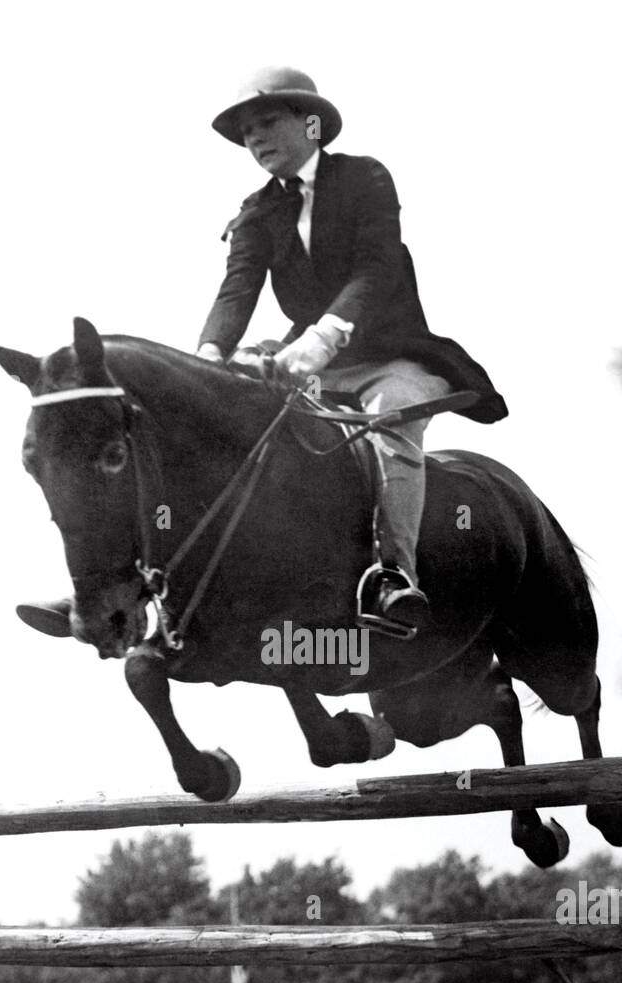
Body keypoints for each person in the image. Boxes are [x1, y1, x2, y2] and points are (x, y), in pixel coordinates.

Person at [194, 66, 508, 631]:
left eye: (267, 123)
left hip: (392, 359)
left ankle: (392, 577)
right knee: (216, 413)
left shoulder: (366, 179)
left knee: (390, 423)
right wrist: (210, 356)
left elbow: (378, 265)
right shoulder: (255, 212)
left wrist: (324, 335)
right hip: (311, 366)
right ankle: (170, 575)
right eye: (246, 133)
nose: (255, 139)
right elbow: (237, 289)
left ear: (310, 124)